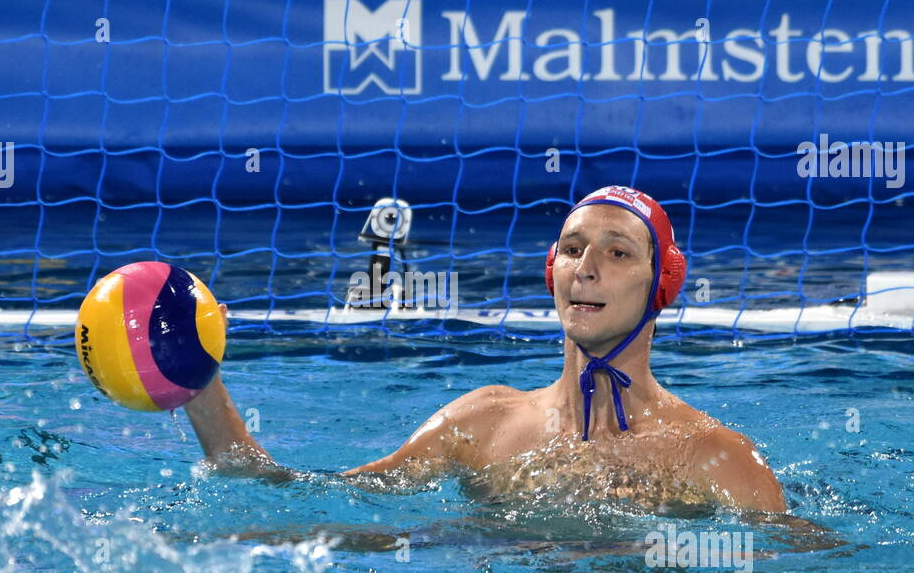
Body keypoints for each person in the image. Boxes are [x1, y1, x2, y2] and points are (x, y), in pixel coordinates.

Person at [183, 186, 787, 513]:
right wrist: (201, 382)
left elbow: (817, 571)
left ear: (663, 285)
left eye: (618, 252)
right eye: (573, 249)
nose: (587, 269)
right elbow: (304, 498)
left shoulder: (717, 457)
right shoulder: (480, 422)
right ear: (552, 269)